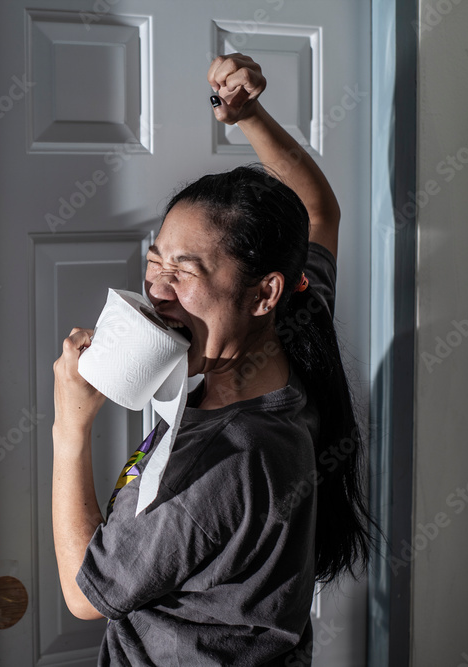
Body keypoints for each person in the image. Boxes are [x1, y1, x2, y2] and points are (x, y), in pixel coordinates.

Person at [51, 54, 375, 665]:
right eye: (155, 262)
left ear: (263, 292)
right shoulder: (296, 326)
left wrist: (70, 428)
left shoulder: (221, 462)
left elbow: (84, 596)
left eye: (185, 271)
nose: (157, 290)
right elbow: (318, 211)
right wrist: (249, 116)